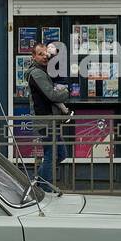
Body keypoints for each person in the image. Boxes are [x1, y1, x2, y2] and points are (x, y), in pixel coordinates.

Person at [26, 42, 72, 187]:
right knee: (51, 156)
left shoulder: (45, 70)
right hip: (45, 120)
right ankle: (46, 189)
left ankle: (37, 181)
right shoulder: (37, 73)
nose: (45, 56)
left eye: (46, 53)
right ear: (33, 57)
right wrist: (65, 93)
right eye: (40, 54)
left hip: (52, 120)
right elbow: (51, 95)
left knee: (61, 154)